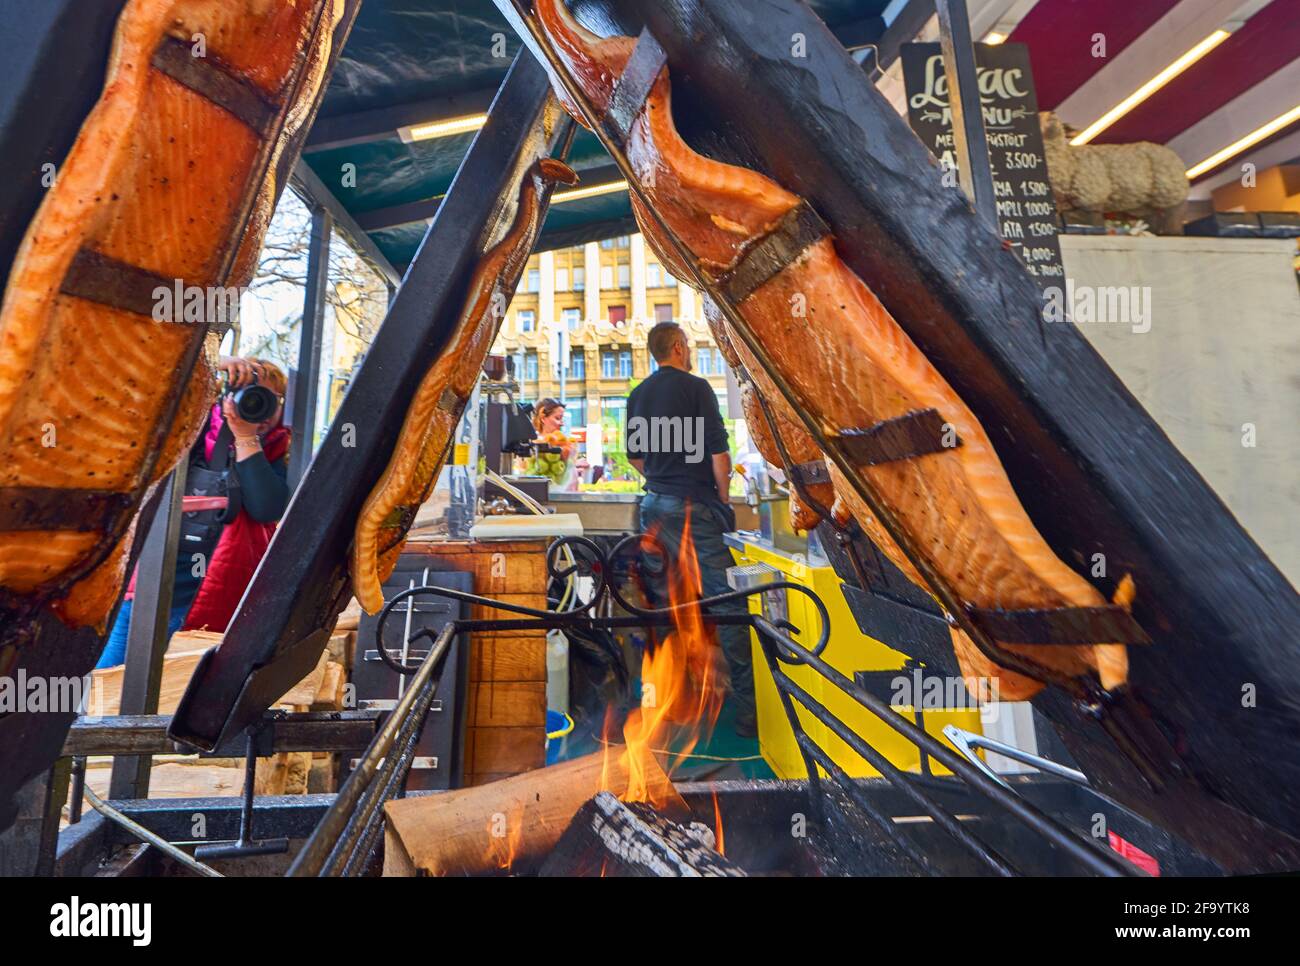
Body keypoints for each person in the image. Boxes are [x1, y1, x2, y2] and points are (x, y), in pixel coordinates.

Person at [97, 357, 292, 668]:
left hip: (219, 598)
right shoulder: (193, 430)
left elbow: (266, 507)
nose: (260, 408)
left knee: (180, 692)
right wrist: (213, 367)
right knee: (108, 682)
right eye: (249, 395)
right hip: (152, 586)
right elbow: (155, 395)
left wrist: (245, 437)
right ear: (226, 398)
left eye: (271, 400)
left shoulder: (278, 450)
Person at [625, 322, 755, 737]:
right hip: (694, 508)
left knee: (664, 605)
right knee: (728, 602)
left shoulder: (637, 395)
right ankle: (749, 714)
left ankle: (663, 707)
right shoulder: (698, 389)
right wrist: (722, 498)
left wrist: (663, 478)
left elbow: (636, 459)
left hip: (653, 509)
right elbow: (720, 456)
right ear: (679, 347)